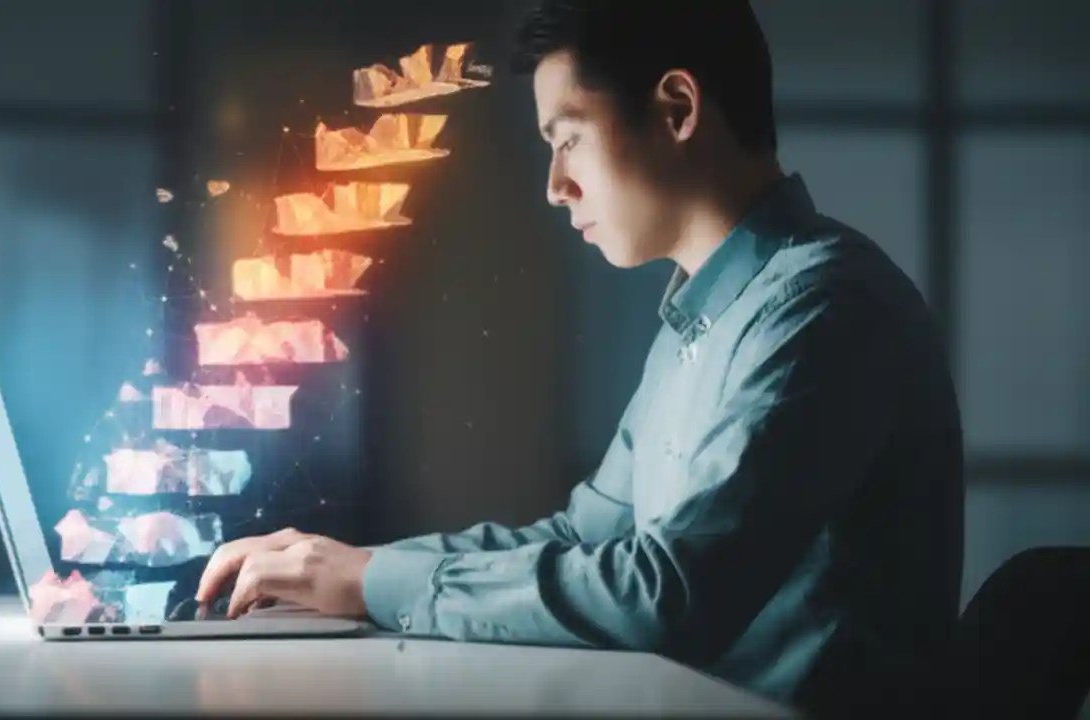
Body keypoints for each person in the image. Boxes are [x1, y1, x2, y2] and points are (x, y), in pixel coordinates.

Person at [196, 1, 963, 714]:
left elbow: (669, 597)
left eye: (568, 140)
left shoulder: (821, 310)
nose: (557, 187)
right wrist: (345, 567)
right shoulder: (700, 320)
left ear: (677, 109)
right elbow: (582, 538)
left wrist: (371, 584)